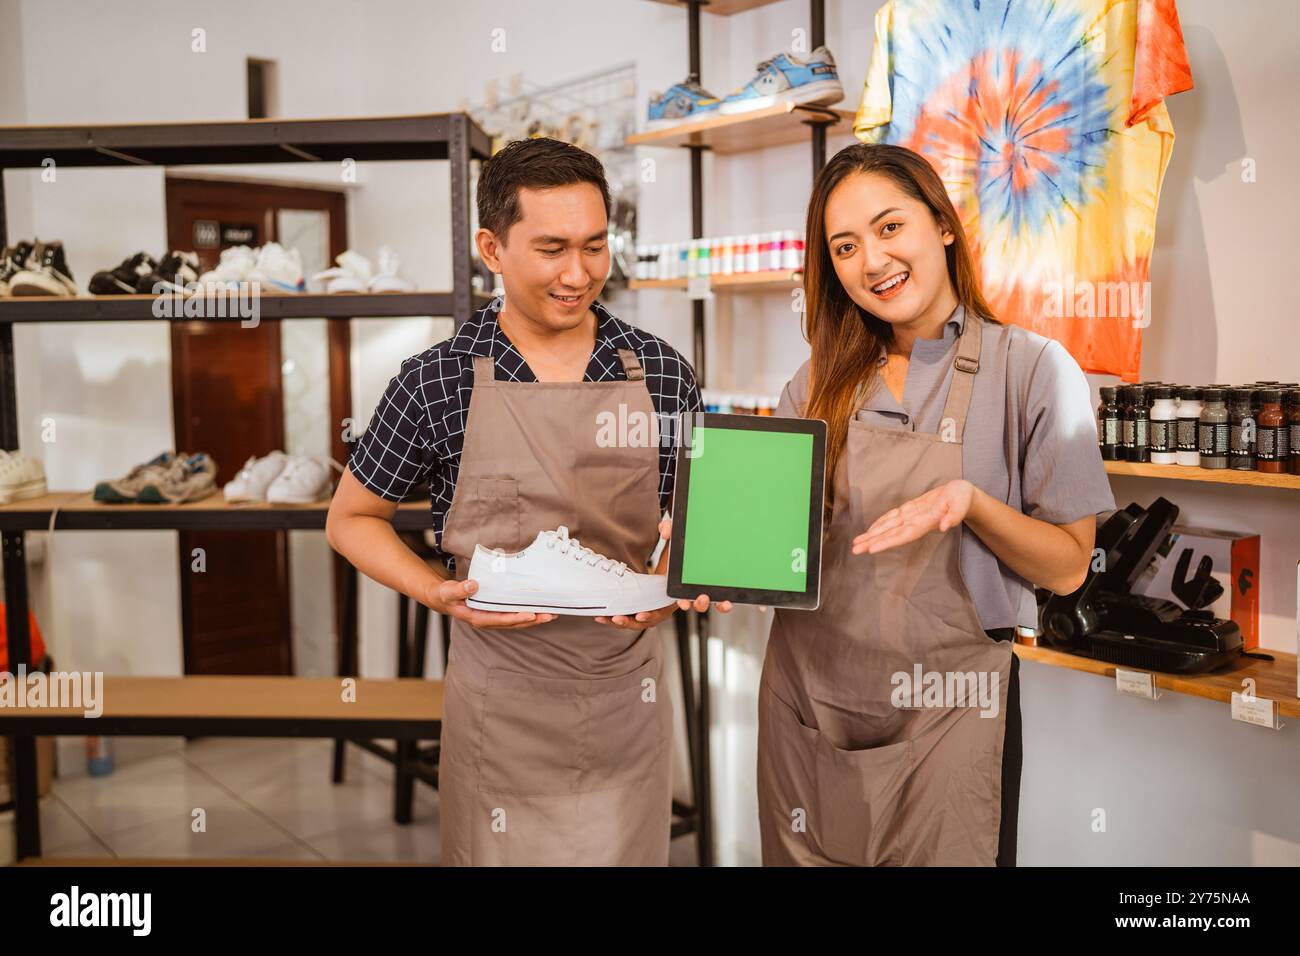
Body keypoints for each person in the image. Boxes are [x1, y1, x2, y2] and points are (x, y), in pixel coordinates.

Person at [326, 137, 715, 866]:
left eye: (596, 246)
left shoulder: (662, 372)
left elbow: (686, 525)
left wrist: (682, 576)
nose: (579, 274)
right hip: (499, 708)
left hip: (624, 700)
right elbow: (351, 519)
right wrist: (434, 591)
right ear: (491, 248)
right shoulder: (435, 380)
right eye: (552, 249)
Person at [756, 142, 1115, 866]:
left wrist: (972, 504)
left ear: (943, 225)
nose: (872, 261)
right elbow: (778, 549)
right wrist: (714, 547)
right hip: (810, 706)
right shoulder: (815, 383)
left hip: (952, 713)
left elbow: (1071, 568)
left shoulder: (1036, 371)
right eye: (846, 246)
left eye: (890, 228)